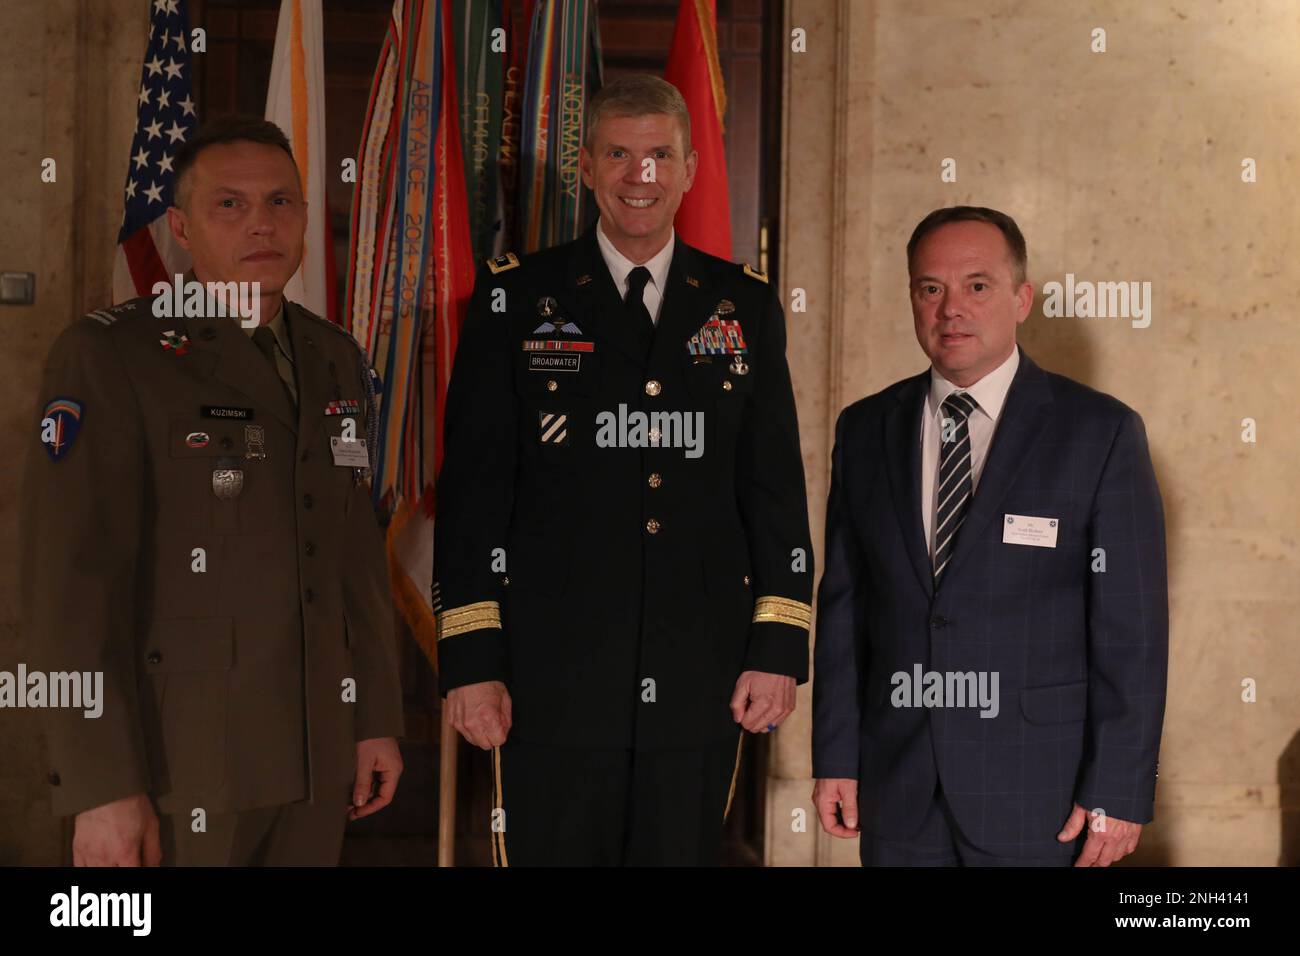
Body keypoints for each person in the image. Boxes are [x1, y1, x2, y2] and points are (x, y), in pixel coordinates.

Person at [433, 74, 813, 866]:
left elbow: (773, 488)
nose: (640, 176)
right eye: (619, 154)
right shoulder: (515, 300)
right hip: (550, 677)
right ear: (585, 165)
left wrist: (777, 646)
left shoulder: (743, 306)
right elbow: (475, 494)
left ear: (690, 168)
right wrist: (471, 660)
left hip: (698, 673)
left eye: (659, 155)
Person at [21, 115, 404, 866]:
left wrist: (371, 717)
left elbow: (354, 556)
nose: (261, 224)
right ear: (182, 228)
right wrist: (101, 785)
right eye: (229, 204)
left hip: (316, 756)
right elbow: (69, 586)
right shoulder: (113, 355)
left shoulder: (334, 356)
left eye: (281, 203)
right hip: (180, 765)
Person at [812, 206, 1168, 866]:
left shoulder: (1100, 433)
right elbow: (844, 609)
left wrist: (1118, 790)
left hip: (1042, 793)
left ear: (1022, 298)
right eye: (930, 288)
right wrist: (836, 755)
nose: (952, 309)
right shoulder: (864, 430)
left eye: (977, 285)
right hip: (899, 788)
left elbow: (1133, 634)